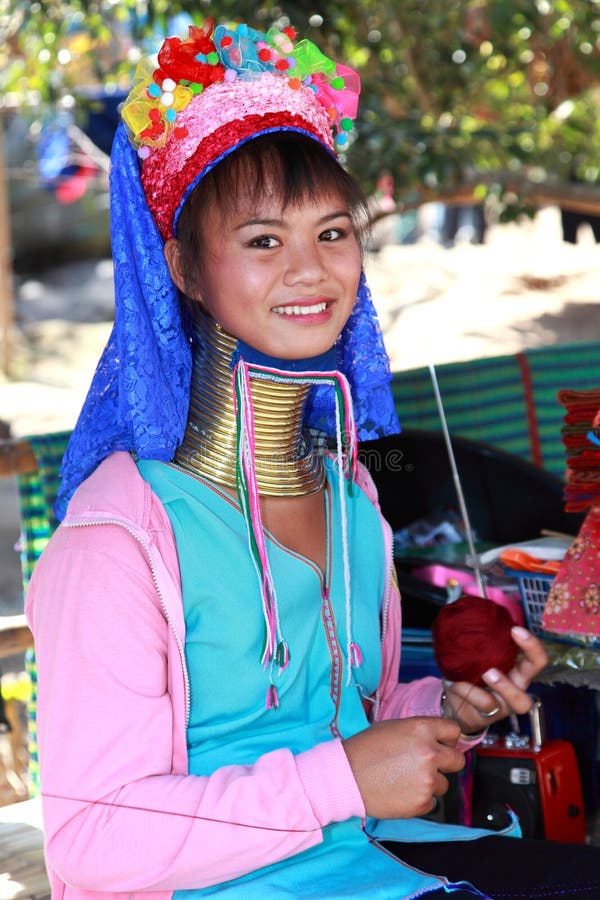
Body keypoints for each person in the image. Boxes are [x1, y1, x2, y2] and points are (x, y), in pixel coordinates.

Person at [25, 15, 600, 900]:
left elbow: (337, 728)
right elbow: (89, 844)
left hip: (375, 855)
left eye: (333, 233)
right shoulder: (117, 539)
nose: (312, 271)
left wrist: (445, 709)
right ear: (180, 265)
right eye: (263, 241)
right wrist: (344, 780)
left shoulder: (347, 493)